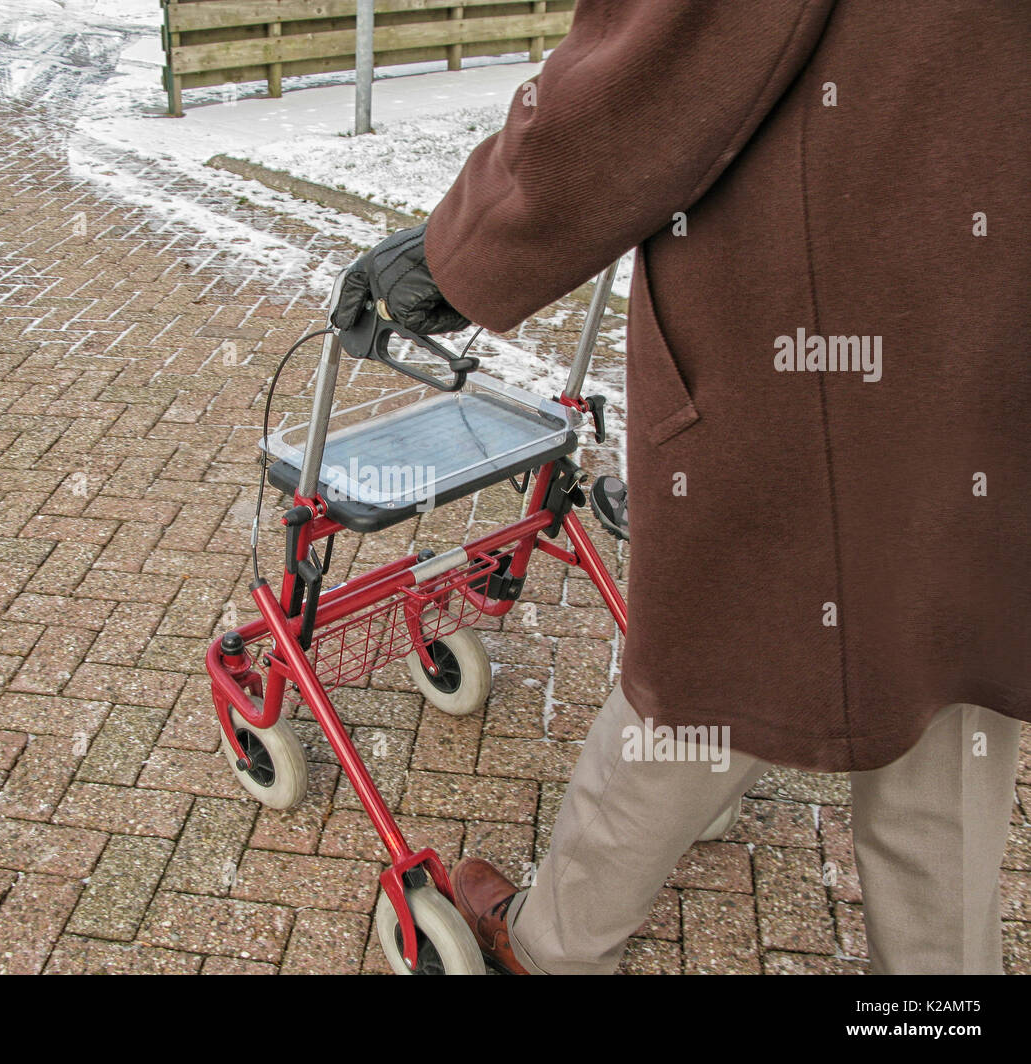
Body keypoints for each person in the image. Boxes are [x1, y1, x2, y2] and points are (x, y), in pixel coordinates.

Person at [333, 0, 1029, 974]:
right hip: (990, 282)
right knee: (949, 653)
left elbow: (667, 58)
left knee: (716, 649)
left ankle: (547, 946)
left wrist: (463, 248)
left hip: (830, 300)